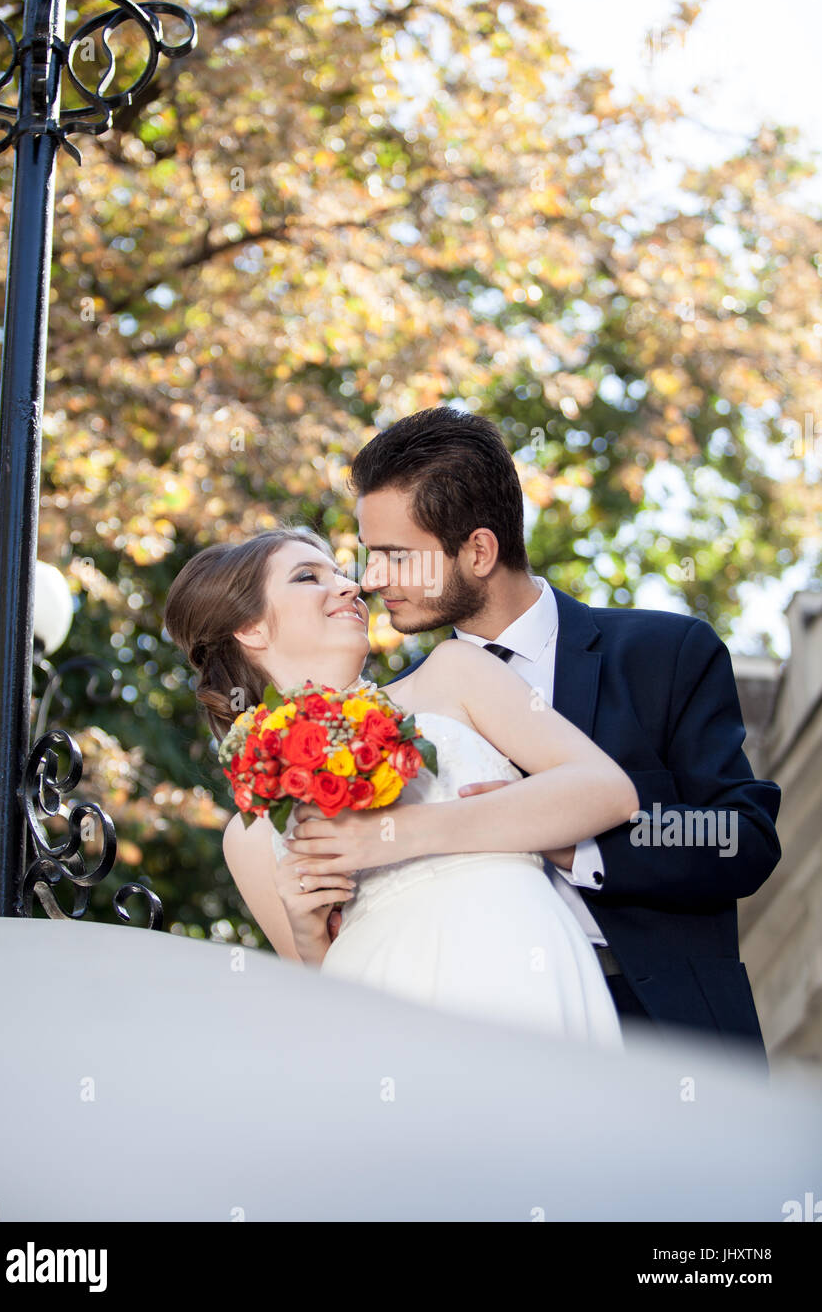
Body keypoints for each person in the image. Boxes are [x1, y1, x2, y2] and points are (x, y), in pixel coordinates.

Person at [338, 405, 782, 1066]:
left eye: (396, 557)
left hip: (661, 1035)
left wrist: (579, 842)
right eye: (371, 556)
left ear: (480, 551)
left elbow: (737, 836)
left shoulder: (662, 654)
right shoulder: (393, 716)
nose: (373, 581)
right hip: (477, 1049)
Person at [164, 526, 641, 1046]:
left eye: (341, 573)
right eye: (308, 577)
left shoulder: (451, 674)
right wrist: (307, 933)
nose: (351, 587)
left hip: (517, 953)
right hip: (384, 1016)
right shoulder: (251, 832)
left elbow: (607, 791)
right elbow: (328, 1010)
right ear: (251, 628)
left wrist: (402, 831)